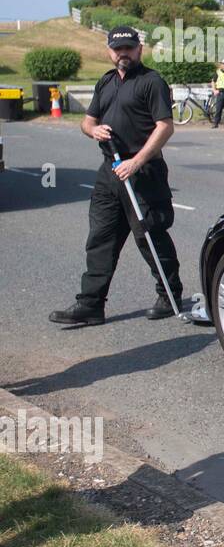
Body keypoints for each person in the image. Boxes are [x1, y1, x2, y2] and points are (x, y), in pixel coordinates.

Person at [49, 27, 183, 327]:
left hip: (143, 172)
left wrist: (136, 162)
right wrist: (93, 130)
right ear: (109, 51)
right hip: (109, 172)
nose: (123, 53)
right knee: (101, 238)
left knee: (150, 235)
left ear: (139, 49)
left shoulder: (152, 82)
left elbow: (165, 127)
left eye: (129, 48)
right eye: (117, 49)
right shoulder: (106, 82)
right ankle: (91, 305)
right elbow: (87, 121)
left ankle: (169, 294)